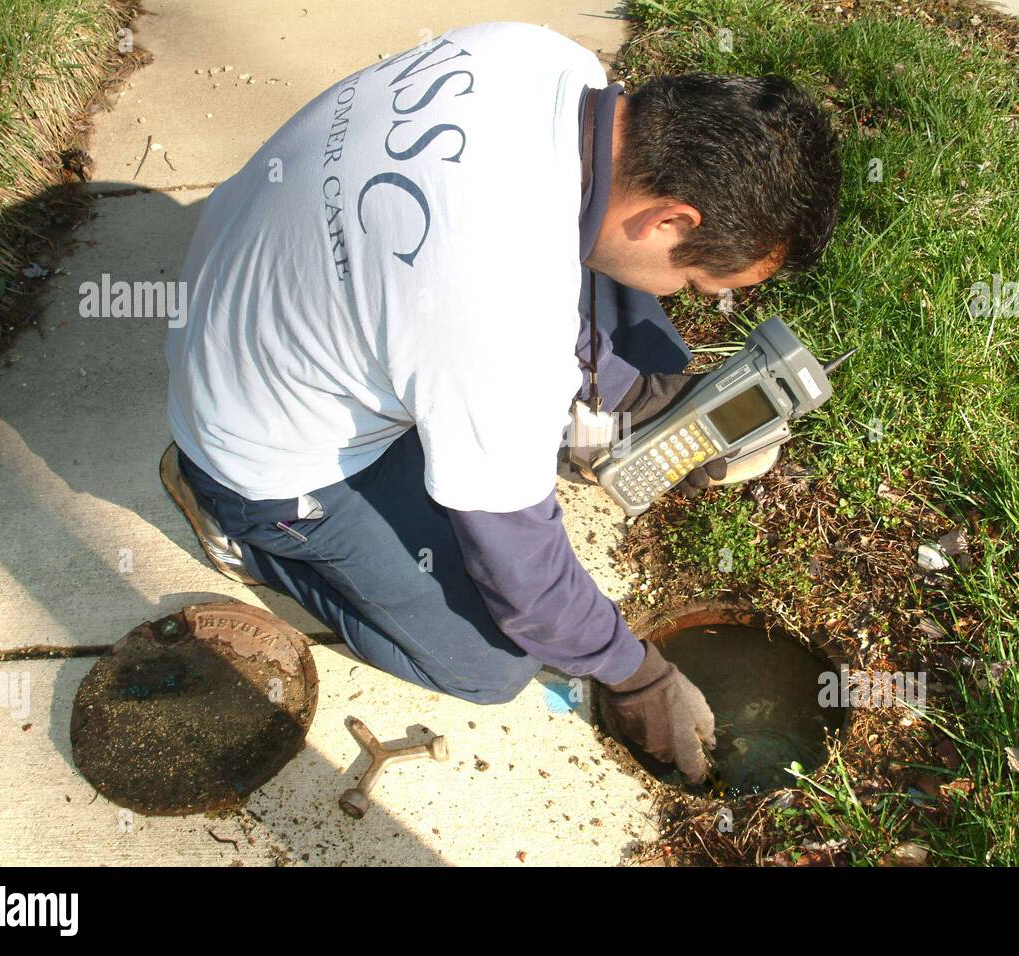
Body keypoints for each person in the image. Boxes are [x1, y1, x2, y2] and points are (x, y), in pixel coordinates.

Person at [161, 21, 841, 784]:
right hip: (264, 453)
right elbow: (525, 579)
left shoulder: (545, 60)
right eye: (694, 282)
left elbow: (537, 270)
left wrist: (636, 397)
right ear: (671, 221)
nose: (690, 298)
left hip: (270, 291)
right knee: (493, 664)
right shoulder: (494, 315)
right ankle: (246, 534)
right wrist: (636, 674)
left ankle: (609, 401)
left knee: (643, 338)